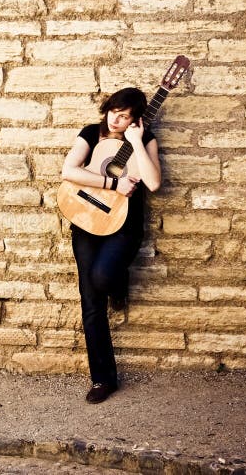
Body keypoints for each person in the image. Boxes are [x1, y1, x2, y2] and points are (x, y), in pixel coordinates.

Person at [60, 87, 162, 404]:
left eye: (125, 115)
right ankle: (103, 379)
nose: (116, 119)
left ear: (136, 119)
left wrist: (134, 142)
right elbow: (69, 171)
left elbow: (154, 183)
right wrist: (112, 183)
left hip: (124, 227)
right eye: (113, 111)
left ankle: (118, 281)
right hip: (87, 219)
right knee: (91, 301)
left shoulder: (145, 140)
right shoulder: (91, 133)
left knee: (103, 278)